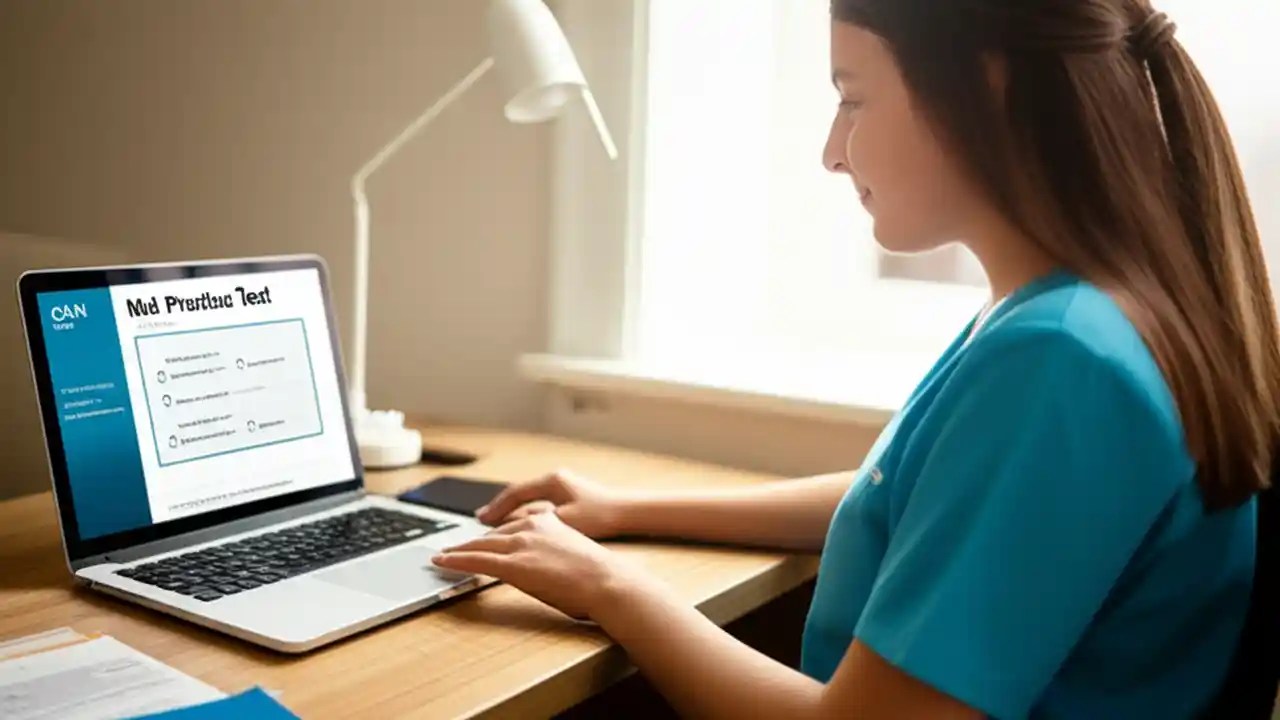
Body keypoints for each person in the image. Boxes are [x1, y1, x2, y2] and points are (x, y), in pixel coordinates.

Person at [432, 1, 1278, 717]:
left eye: (853, 99)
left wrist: (610, 590)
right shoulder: (1075, 315)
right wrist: (629, 510)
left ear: (987, 87)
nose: (832, 152)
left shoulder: (1057, 360)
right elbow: (912, 493)